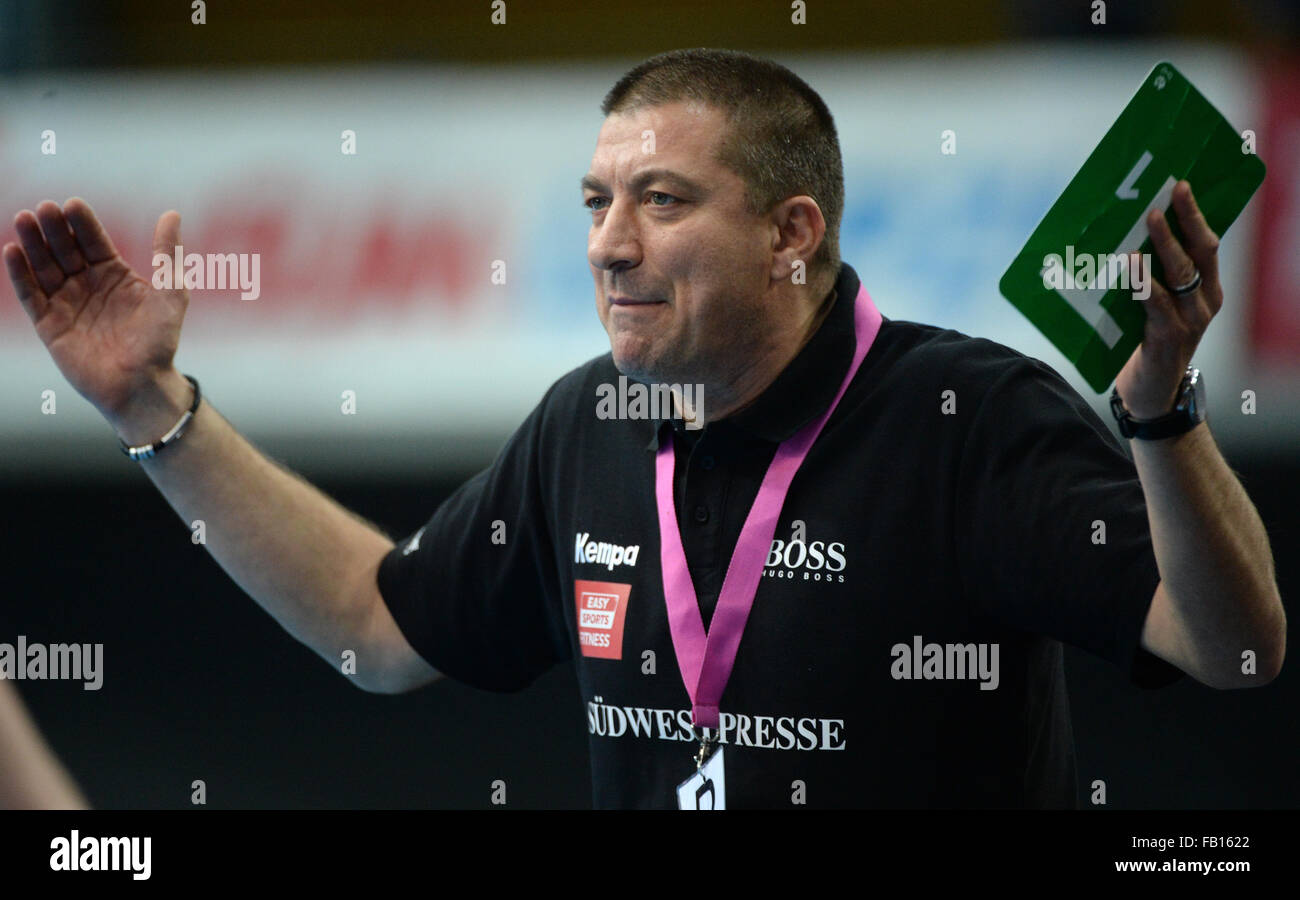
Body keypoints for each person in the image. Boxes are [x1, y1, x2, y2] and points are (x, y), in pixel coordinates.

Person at [3, 49, 1284, 809]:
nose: (608, 244)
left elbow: (1233, 655)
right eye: (596, 200)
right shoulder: (589, 425)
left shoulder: (969, 418)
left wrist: (1157, 410)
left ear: (792, 234)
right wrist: (149, 407)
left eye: (661, 200)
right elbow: (376, 628)